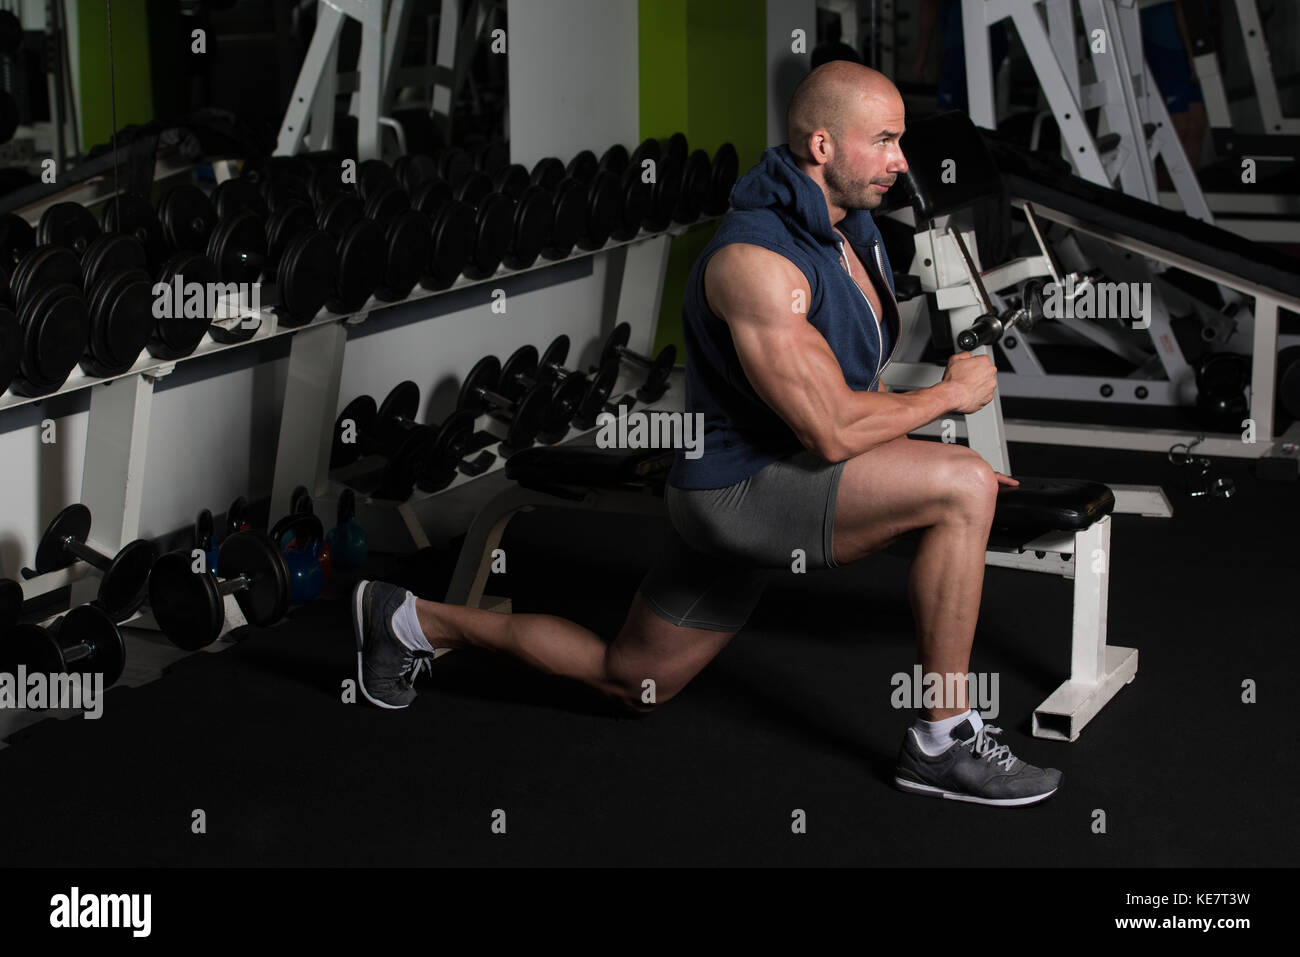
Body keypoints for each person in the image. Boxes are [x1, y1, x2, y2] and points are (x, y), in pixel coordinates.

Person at [351, 60, 1062, 807]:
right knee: (961, 487)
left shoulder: (859, 234)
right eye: (884, 140)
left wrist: (920, 462)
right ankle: (941, 740)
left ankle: (411, 621)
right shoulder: (754, 261)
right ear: (823, 145)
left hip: (774, 474)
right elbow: (829, 427)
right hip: (736, 492)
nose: (900, 160)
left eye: (901, 141)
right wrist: (950, 408)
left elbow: (856, 384)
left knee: (631, 680)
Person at [1141, 0, 1209, 173]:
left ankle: (1189, 194)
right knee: (1179, 129)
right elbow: (1182, 6)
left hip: (1195, 42)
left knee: (1197, 125)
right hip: (1165, 43)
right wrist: (1192, 54)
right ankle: (1161, 196)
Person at [911, 0, 1009, 115]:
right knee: (978, 110)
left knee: (950, 115)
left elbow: (929, 5)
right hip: (991, 36)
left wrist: (920, 59)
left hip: (963, 41)